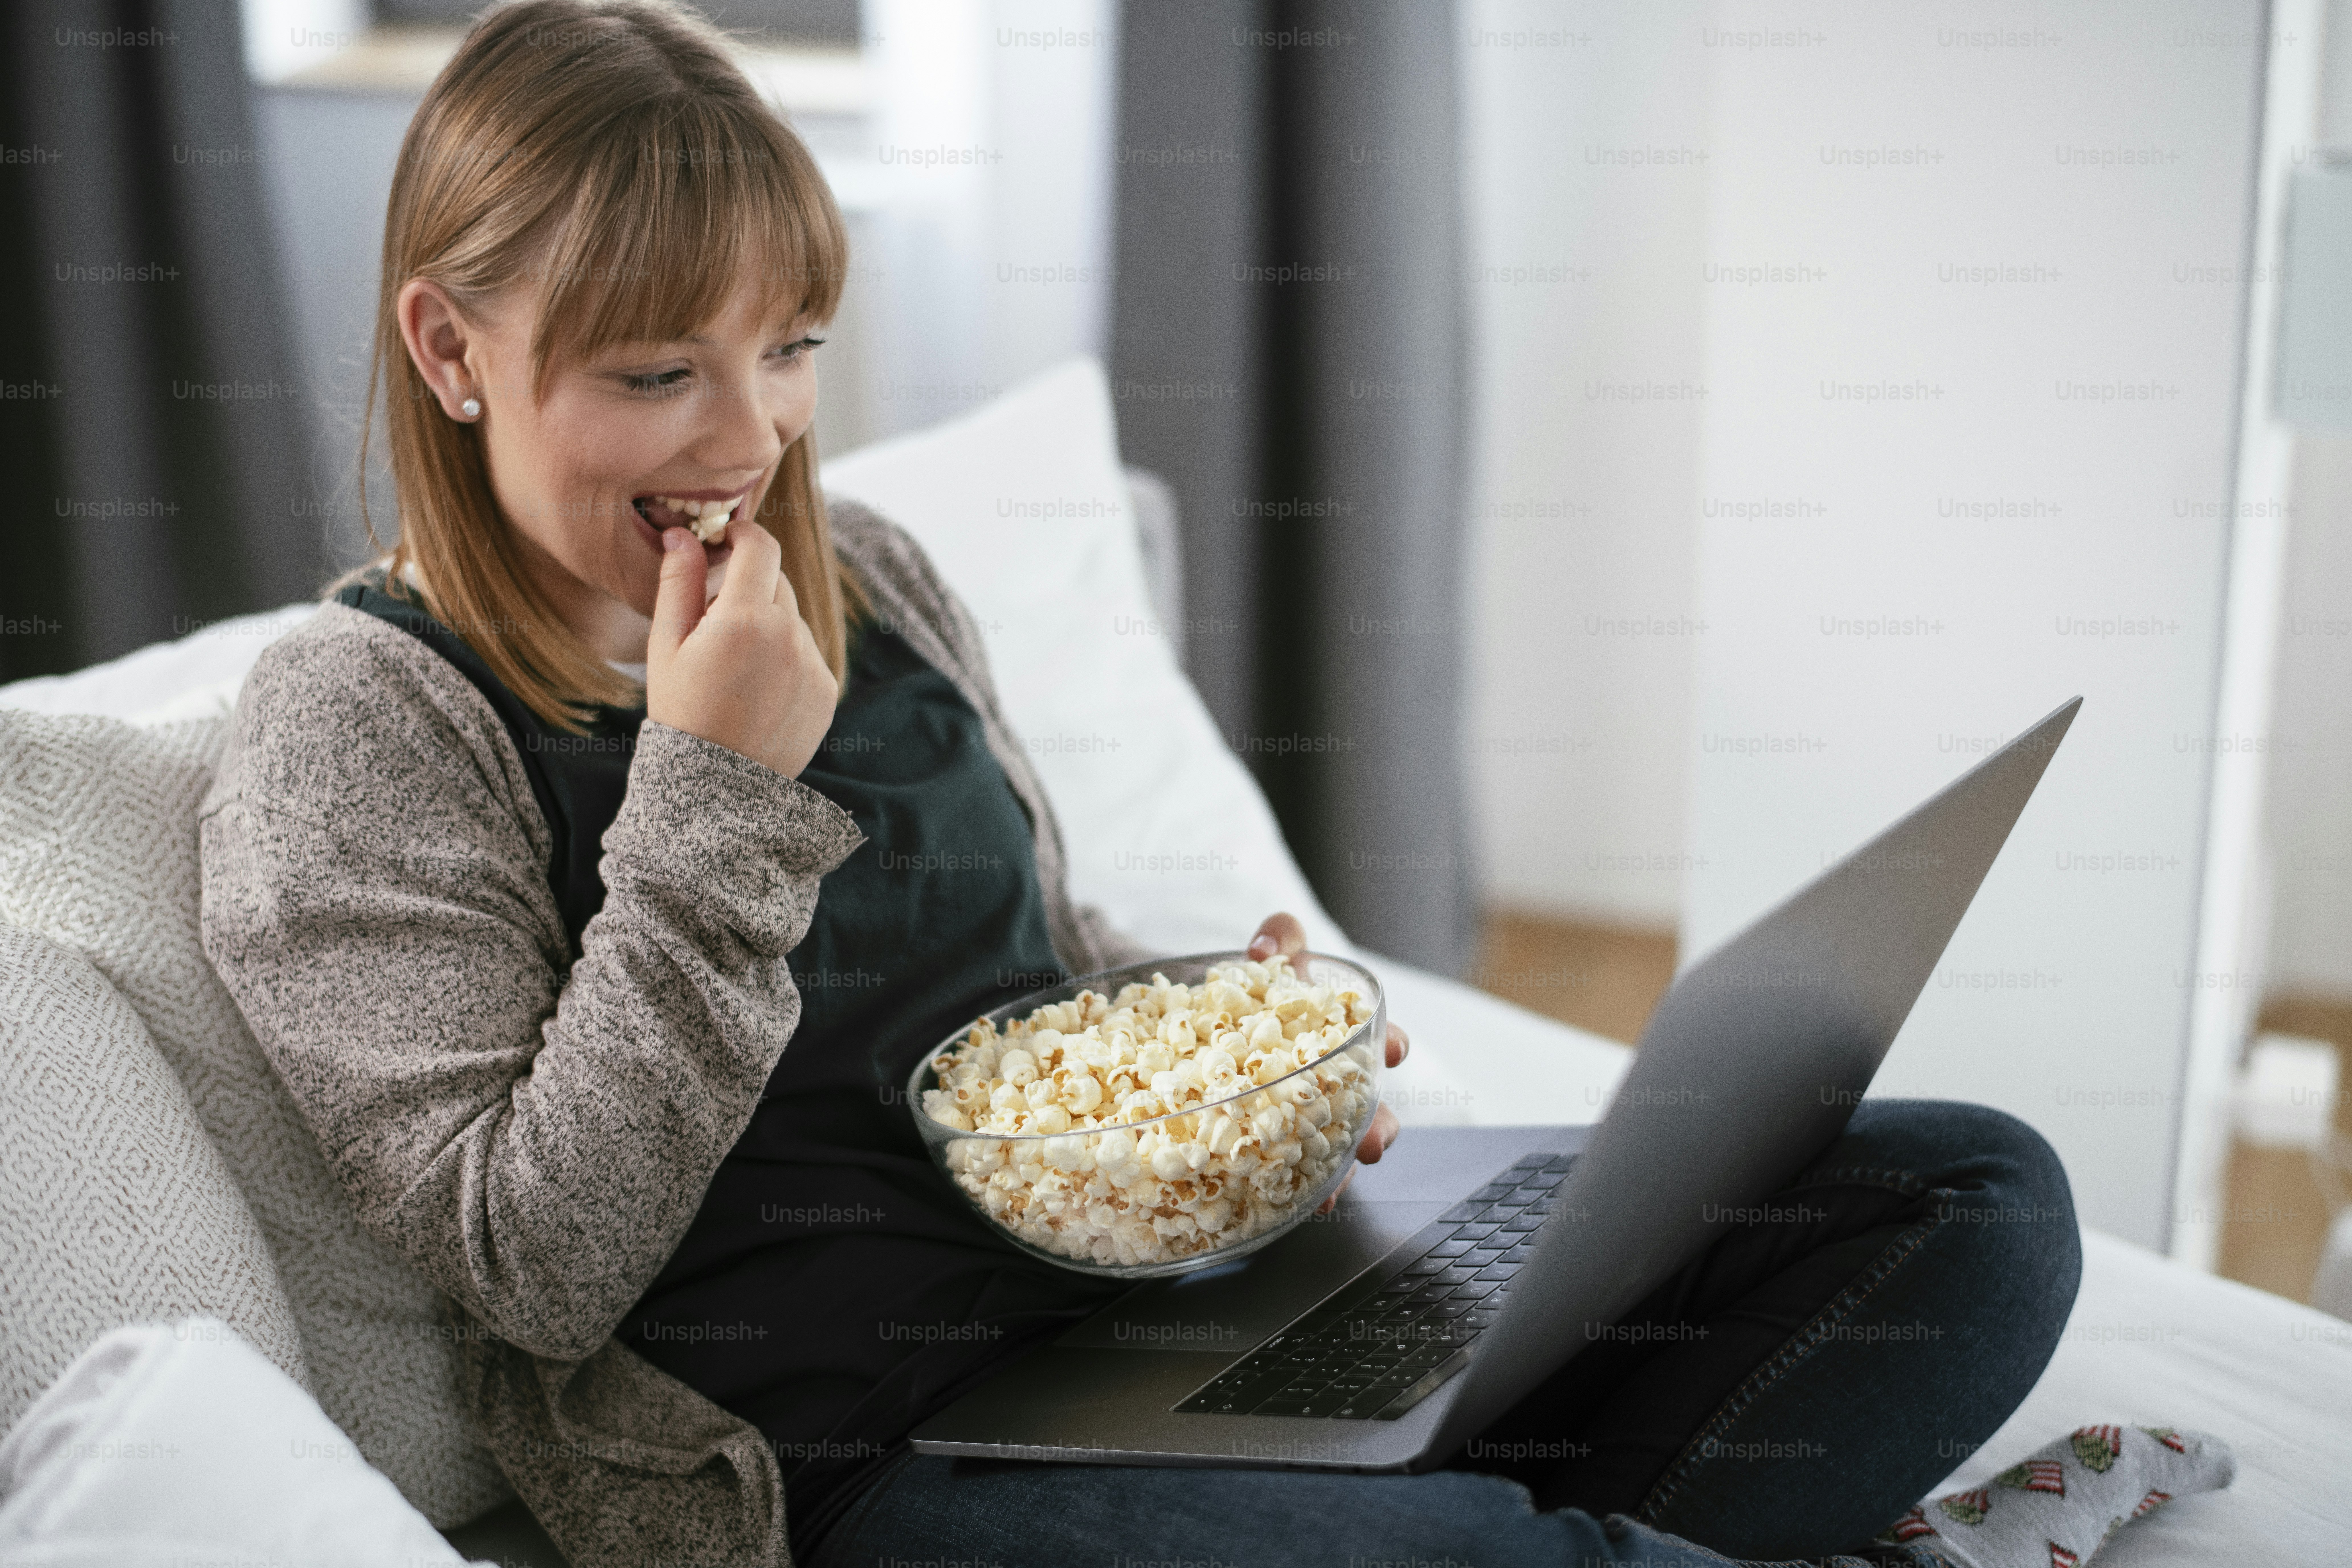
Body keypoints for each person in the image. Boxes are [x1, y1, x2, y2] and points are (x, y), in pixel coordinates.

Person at [197, 4, 2229, 1566]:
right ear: (450, 349)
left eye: (794, 346)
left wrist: (1216, 1060)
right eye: (659, 372)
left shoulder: (871, 574)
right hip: (865, 1462)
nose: (756, 438)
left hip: (1195, 1315)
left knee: (1976, 1192)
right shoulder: (365, 723)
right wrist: (715, 788)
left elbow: (1022, 988)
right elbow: (530, 1263)